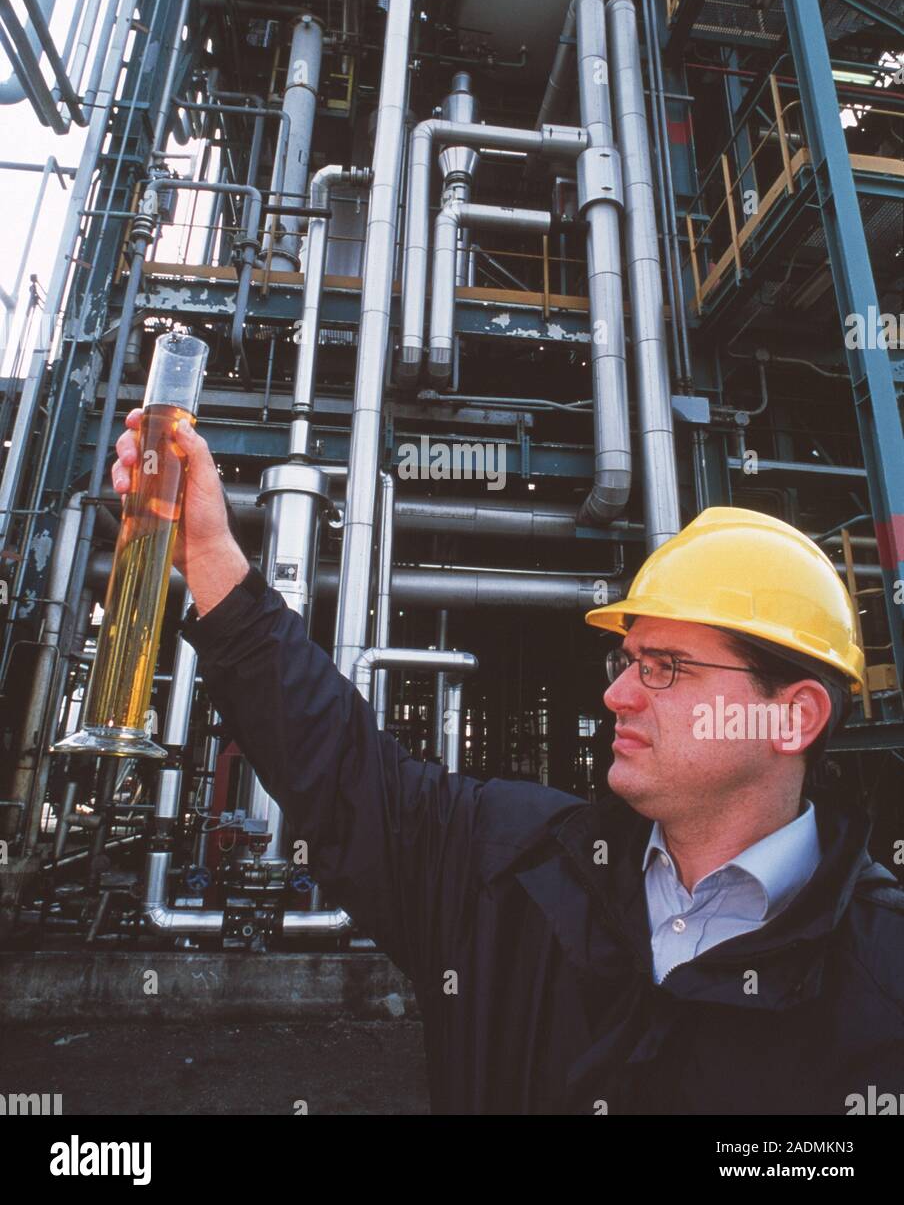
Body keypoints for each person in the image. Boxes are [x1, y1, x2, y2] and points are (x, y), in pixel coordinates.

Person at [112, 409, 904, 1115]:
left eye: (665, 667)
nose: (619, 696)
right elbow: (345, 772)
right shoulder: (517, 864)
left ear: (793, 716)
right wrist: (210, 553)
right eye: (626, 662)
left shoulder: (883, 979)